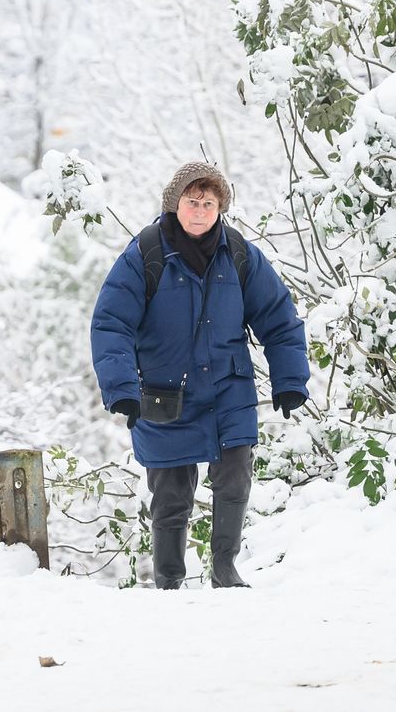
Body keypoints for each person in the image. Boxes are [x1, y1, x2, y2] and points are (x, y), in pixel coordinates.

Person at [89, 161, 309, 589]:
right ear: (176, 204)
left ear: (220, 208)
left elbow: (279, 318)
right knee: (170, 494)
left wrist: (289, 379)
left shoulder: (241, 254)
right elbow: (112, 323)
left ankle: (224, 567)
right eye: (193, 201)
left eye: (210, 203)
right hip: (164, 392)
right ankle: (170, 579)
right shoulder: (145, 254)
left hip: (229, 389)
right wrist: (122, 389)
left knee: (234, 478)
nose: (201, 210)